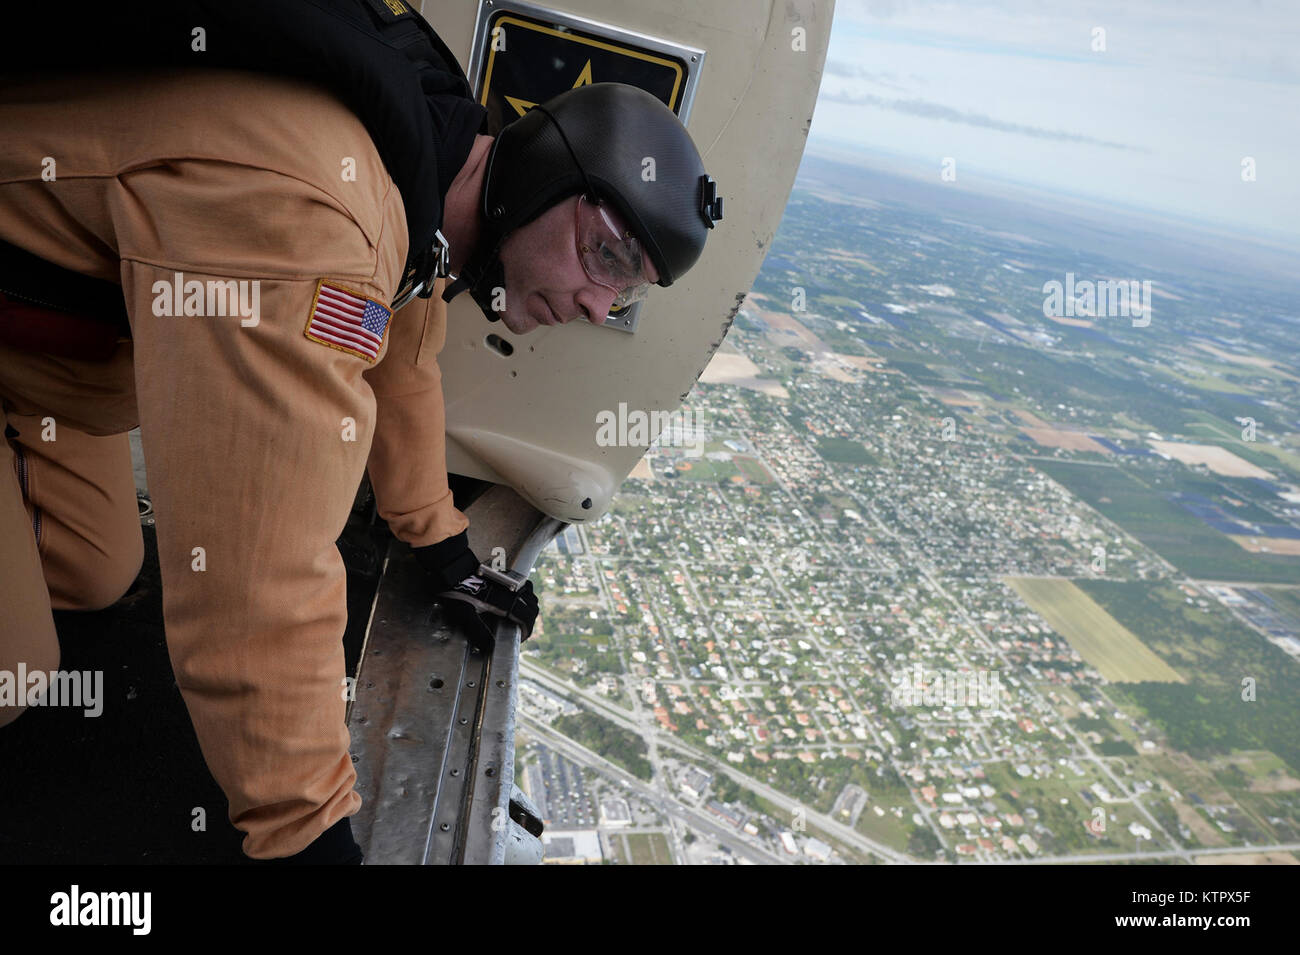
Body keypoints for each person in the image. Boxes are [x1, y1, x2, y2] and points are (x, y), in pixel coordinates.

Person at [0, 3, 720, 864]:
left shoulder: (427, 165)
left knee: (93, 566)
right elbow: (255, 575)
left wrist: (443, 546)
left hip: (42, 365)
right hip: (40, 349)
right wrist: (307, 832)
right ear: (540, 178)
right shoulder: (309, 216)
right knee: (17, 666)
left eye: (629, 288)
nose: (600, 307)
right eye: (606, 256)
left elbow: (405, 354)